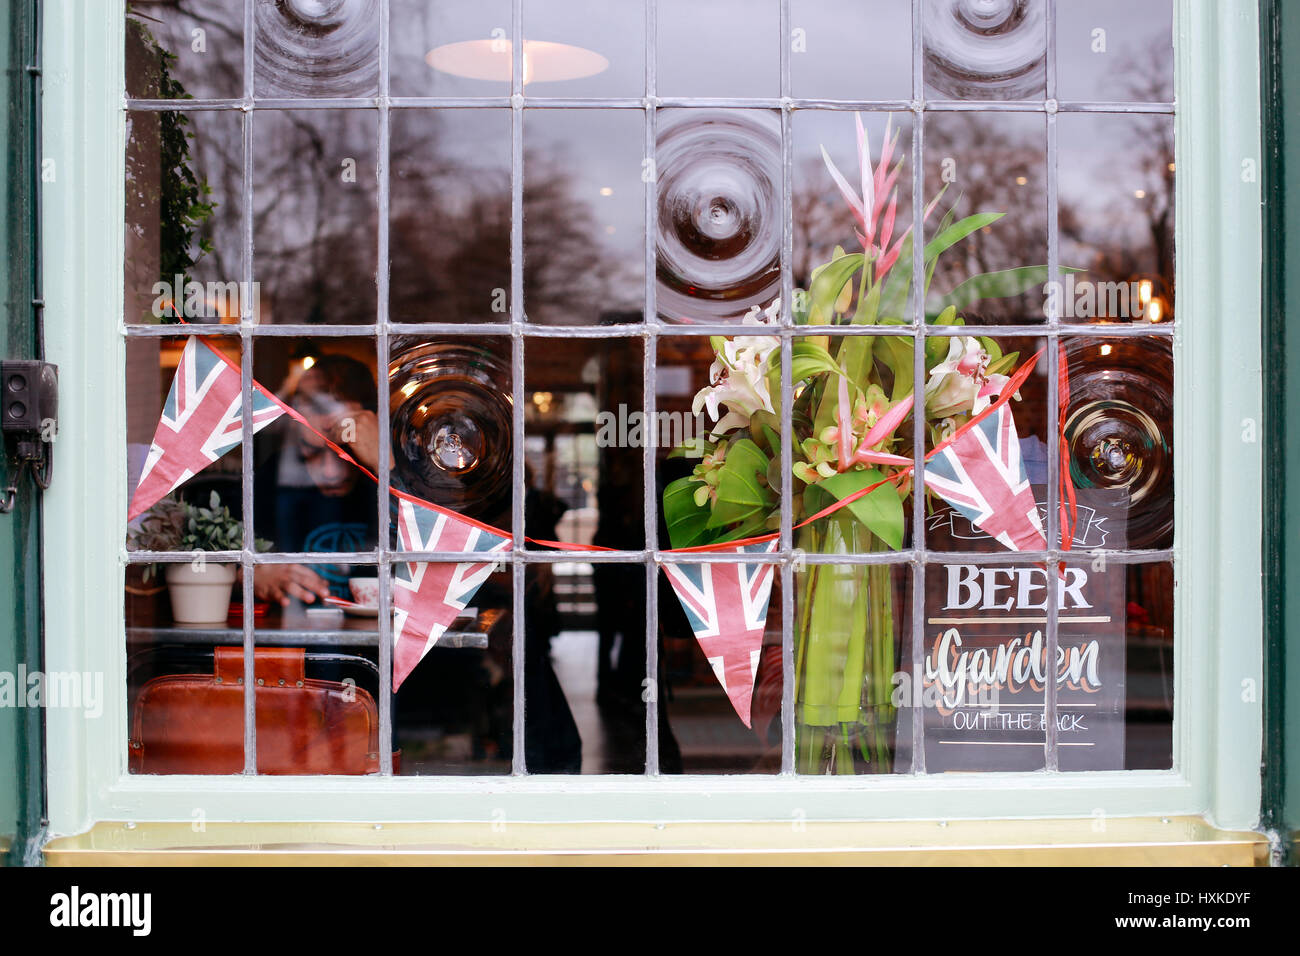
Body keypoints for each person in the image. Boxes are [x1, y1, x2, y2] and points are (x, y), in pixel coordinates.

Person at [253, 354, 383, 605]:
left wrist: (386, 467)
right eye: (311, 454)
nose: (331, 473)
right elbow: (216, 552)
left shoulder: (399, 475)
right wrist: (250, 575)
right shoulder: (271, 478)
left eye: (347, 453)